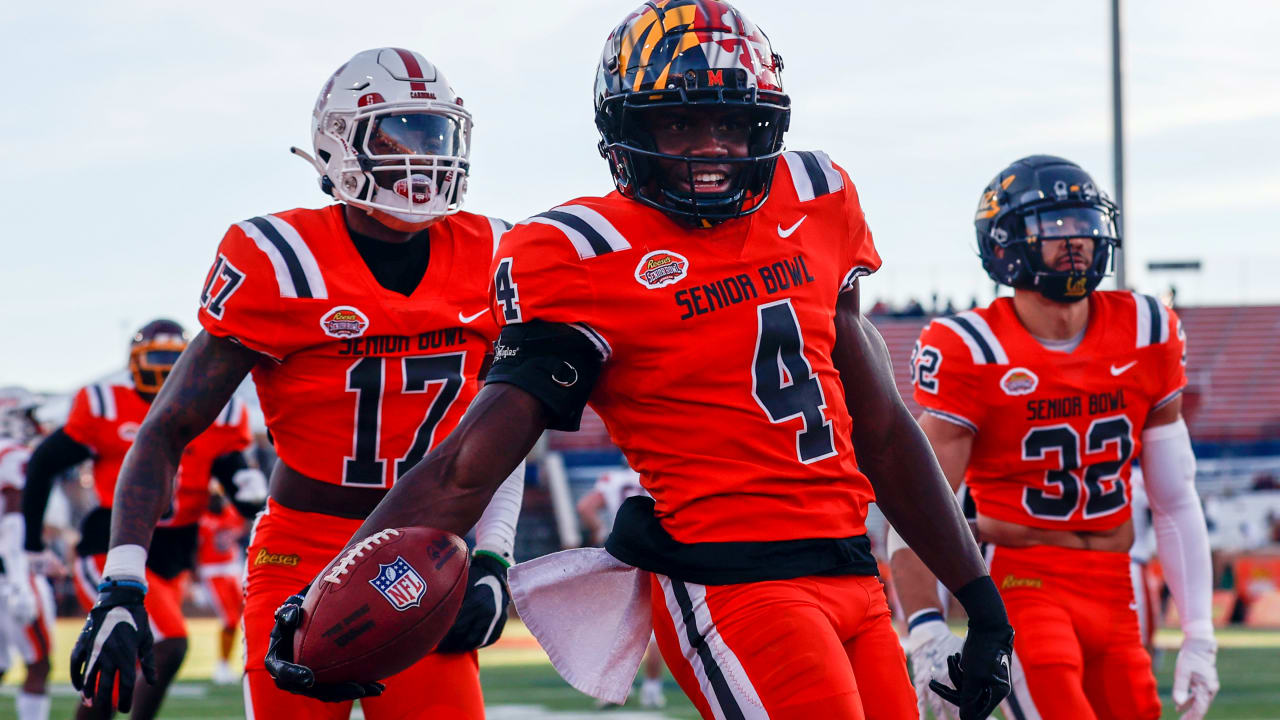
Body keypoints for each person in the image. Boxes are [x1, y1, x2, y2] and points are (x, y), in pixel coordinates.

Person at [274, 4, 1014, 718]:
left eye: (732, 121)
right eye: (679, 121)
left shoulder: (815, 197)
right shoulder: (581, 252)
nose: (712, 147)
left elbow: (881, 427)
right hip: (730, 585)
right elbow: (470, 462)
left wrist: (979, 599)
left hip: (853, 571)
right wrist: (322, 594)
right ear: (625, 128)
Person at [65, 48, 525, 719]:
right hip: (302, 548)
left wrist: (492, 555)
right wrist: (123, 583)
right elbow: (166, 430)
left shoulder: (494, 251)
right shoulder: (280, 260)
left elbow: (501, 424)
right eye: (399, 137)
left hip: (422, 552)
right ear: (339, 144)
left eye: (437, 136)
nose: (424, 159)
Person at [888, 155, 1219, 720]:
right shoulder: (971, 346)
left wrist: (1199, 634)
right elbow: (918, 503)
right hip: (1022, 581)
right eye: (1055, 225)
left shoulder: (1146, 329)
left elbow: (1176, 497)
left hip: (1117, 587)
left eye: (1085, 222)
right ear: (1005, 241)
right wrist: (925, 632)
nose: (1079, 239)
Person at [21, 321, 253, 720]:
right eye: (155, 359)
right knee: (171, 641)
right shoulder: (104, 405)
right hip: (115, 542)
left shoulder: (222, 409)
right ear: (133, 364)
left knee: (120, 662)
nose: (163, 371)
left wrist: (250, 491)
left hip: (176, 553)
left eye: (172, 360)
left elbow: (233, 473)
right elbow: (44, 462)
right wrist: (31, 545)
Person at [576, 467, 666, 708]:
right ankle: (652, 688)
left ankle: (610, 690)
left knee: (619, 624)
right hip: (658, 552)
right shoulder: (660, 473)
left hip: (623, 553)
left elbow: (585, 507)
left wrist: (599, 530)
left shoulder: (613, 479)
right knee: (657, 626)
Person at [0, 388, 55, 720]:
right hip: (12, 574)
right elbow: (15, 521)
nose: (37, 423)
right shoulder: (15, 455)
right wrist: (21, 580)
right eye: (30, 415)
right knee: (39, 663)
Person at [195, 484, 253, 685]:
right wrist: (195, 582)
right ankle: (222, 665)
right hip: (212, 572)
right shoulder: (202, 519)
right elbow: (194, 550)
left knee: (246, 615)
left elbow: (246, 524)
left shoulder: (231, 513)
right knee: (229, 619)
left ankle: (241, 660)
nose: (217, 501)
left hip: (232, 569)